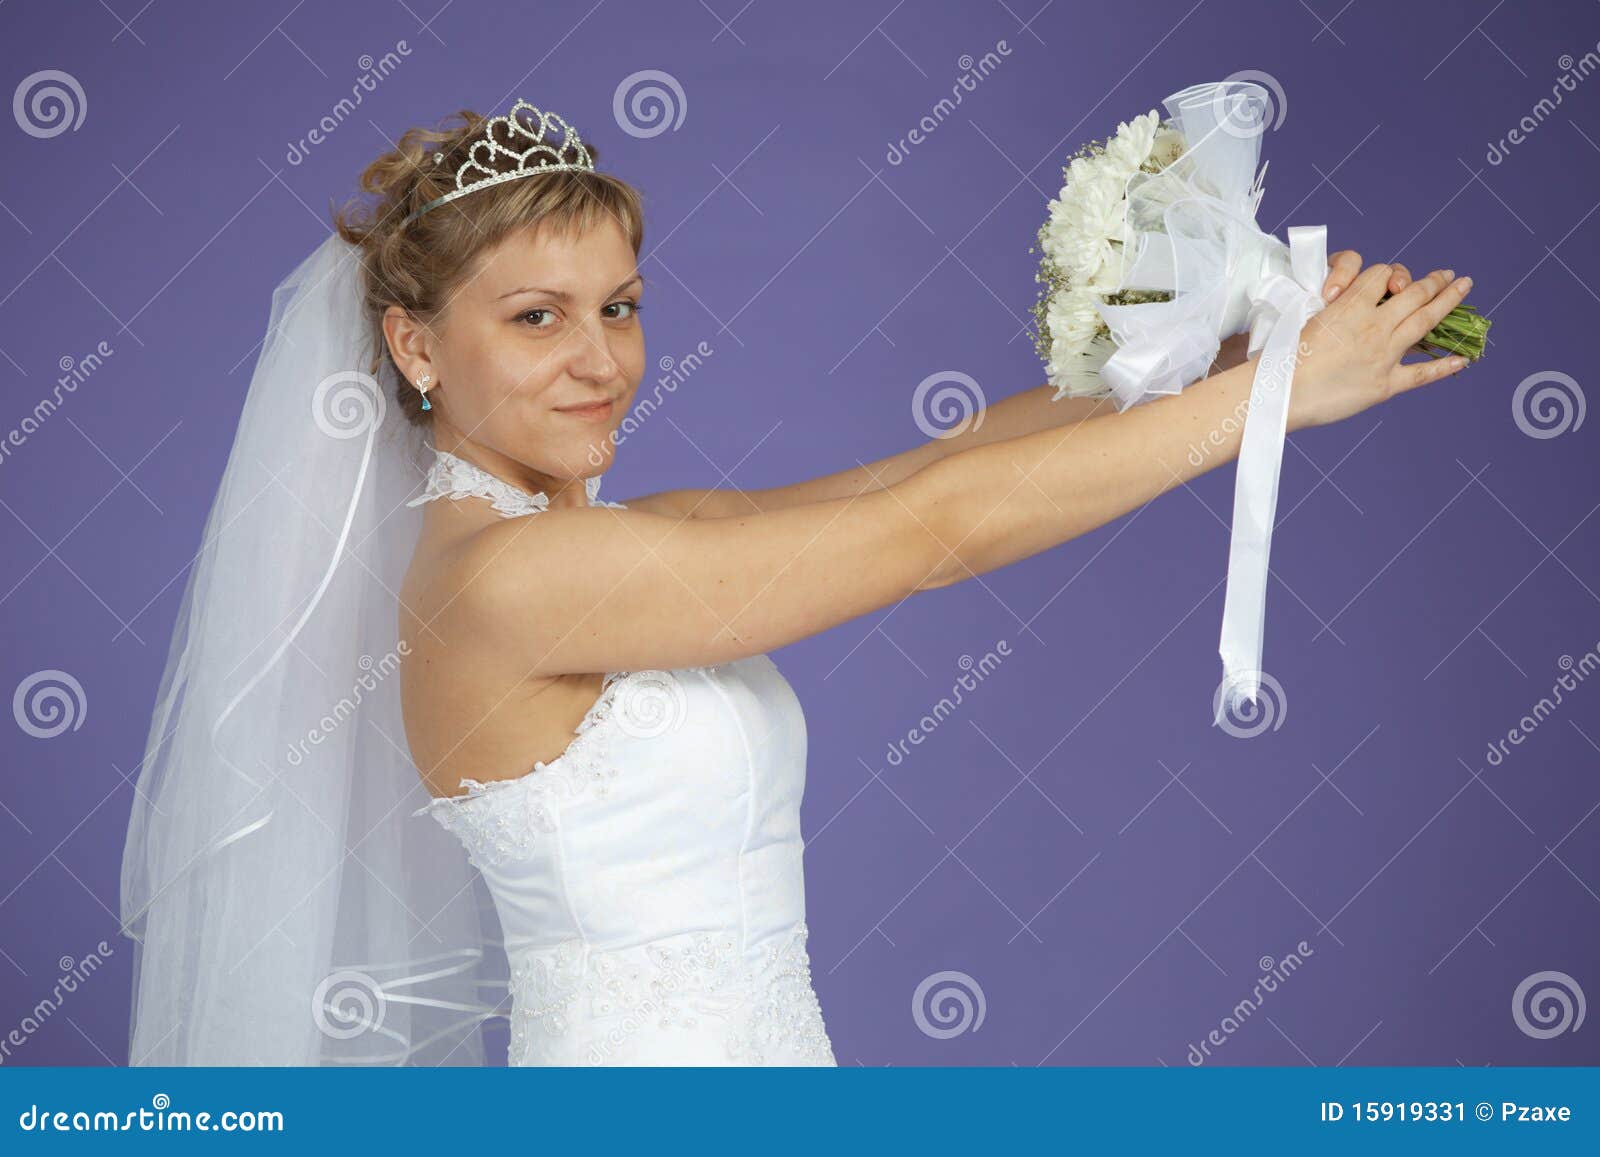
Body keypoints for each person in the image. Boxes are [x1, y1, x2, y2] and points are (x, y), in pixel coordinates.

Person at [119, 99, 1471, 1066]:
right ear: (415, 346)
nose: (600, 358)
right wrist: (1273, 412)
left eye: (622, 305)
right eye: (537, 317)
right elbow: (929, 537)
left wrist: (1228, 356)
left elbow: (914, 478)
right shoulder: (513, 582)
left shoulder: (619, 543)